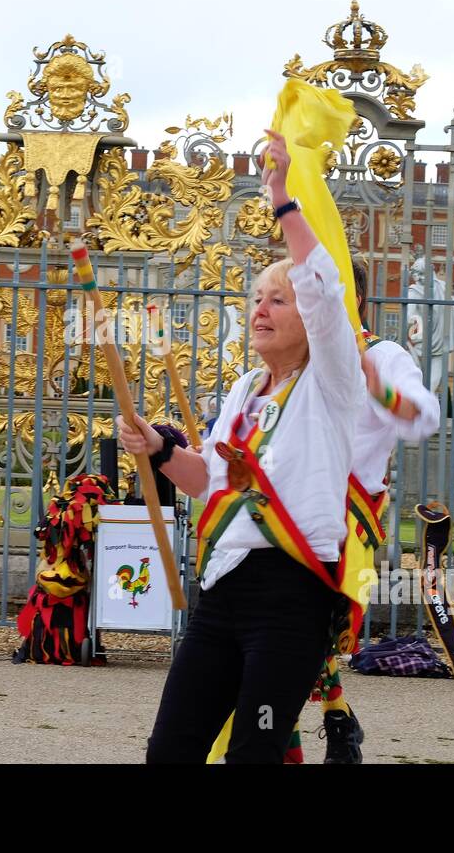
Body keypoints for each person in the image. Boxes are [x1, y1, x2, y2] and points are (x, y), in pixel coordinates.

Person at [119, 129, 365, 763]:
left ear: (308, 318)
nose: (260, 309)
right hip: (222, 591)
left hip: (292, 598)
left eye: (277, 300)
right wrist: (157, 448)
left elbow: (323, 286)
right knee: (168, 751)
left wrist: (282, 196)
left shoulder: (332, 381)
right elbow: (209, 481)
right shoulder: (243, 390)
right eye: (256, 298)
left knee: (252, 756)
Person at [308, 257, 440, 763]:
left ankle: (325, 723)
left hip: (346, 517)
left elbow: (423, 411)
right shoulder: (300, 356)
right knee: (291, 630)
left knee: (311, 628)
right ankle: (335, 720)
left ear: (353, 297)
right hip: (288, 511)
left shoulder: (383, 355)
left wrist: (380, 388)